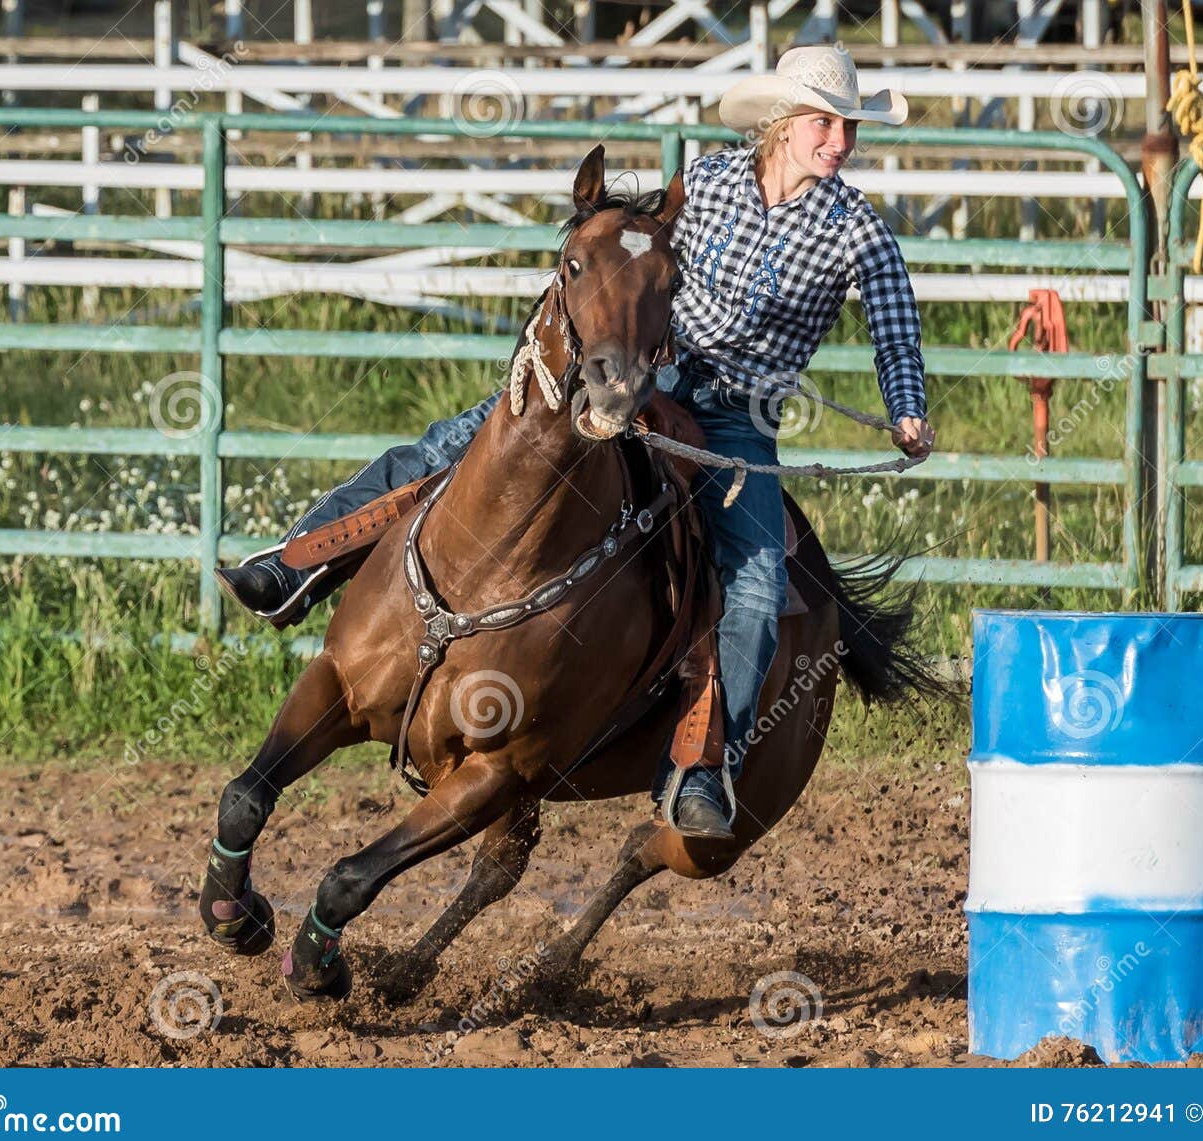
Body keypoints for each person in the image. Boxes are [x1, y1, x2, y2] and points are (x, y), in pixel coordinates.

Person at [216, 46, 935, 841]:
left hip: (736, 417)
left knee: (759, 580)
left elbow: (896, 333)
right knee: (452, 447)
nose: (839, 141)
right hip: (638, 371)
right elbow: (635, 252)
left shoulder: (858, 230)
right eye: (824, 123)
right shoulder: (710, 182)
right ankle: (299, 562)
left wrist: (907, 411)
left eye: (848, 128)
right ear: (783, 124)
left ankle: (703, 763)